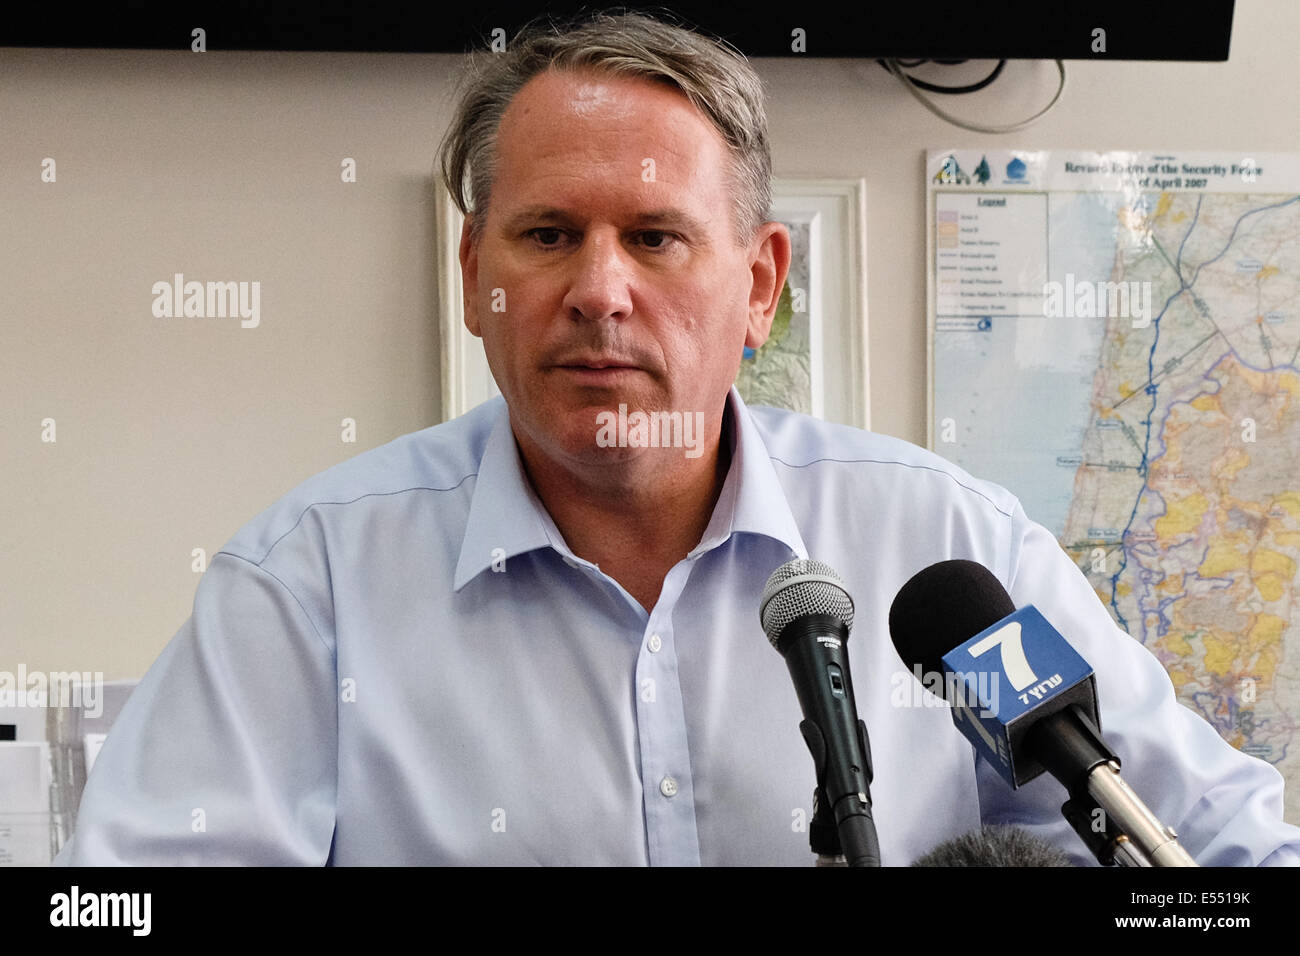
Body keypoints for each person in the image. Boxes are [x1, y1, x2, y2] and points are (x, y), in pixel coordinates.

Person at [57, 10, 1300, 866]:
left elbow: (1225, 853)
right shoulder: (308, 586)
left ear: (759, 286)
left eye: (654, 238)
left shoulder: (944, 551)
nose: (600, 290)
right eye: (548, 235)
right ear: (476, 276)